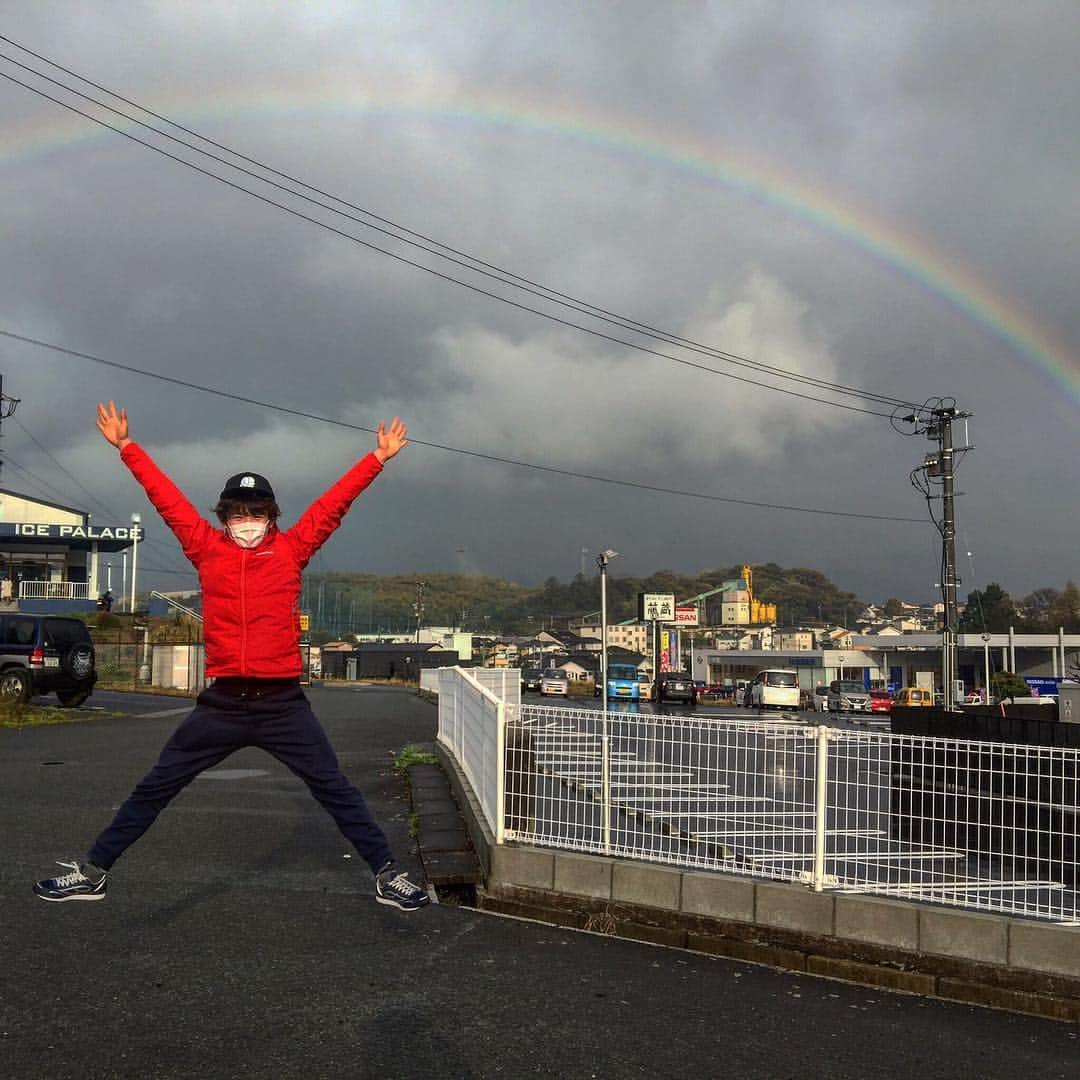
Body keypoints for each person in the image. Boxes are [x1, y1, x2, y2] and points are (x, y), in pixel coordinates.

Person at [34, 401, 428, 912]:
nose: (247, 521)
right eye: (238, 513)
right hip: (221, 704)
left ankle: (386, 874)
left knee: (335, 790)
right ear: (224, 517)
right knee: (155, 787)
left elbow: (333, 504)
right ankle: (93, 873)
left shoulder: (292, 549)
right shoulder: (206, 549)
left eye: (256, 512)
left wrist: (376, 458)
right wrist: (127, 448)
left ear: (271, 516)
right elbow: (167, 501)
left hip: (282, 704)